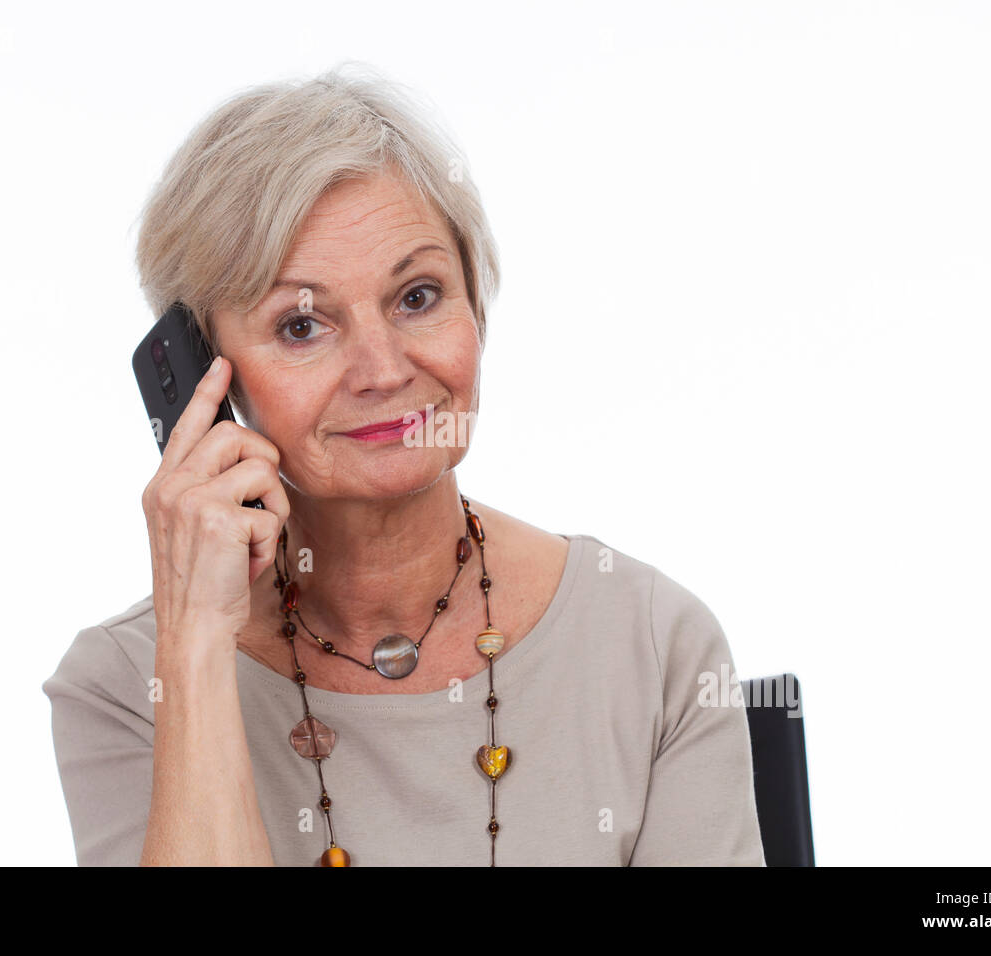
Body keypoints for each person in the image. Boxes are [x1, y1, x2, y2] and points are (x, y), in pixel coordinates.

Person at [42, 62, 765, 866]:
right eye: (302, 327)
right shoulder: (126, 687)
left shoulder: (653, 644)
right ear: (211, 380)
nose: (384, 370)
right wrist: (197, 644)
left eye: (417, 297)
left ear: (476, 308)